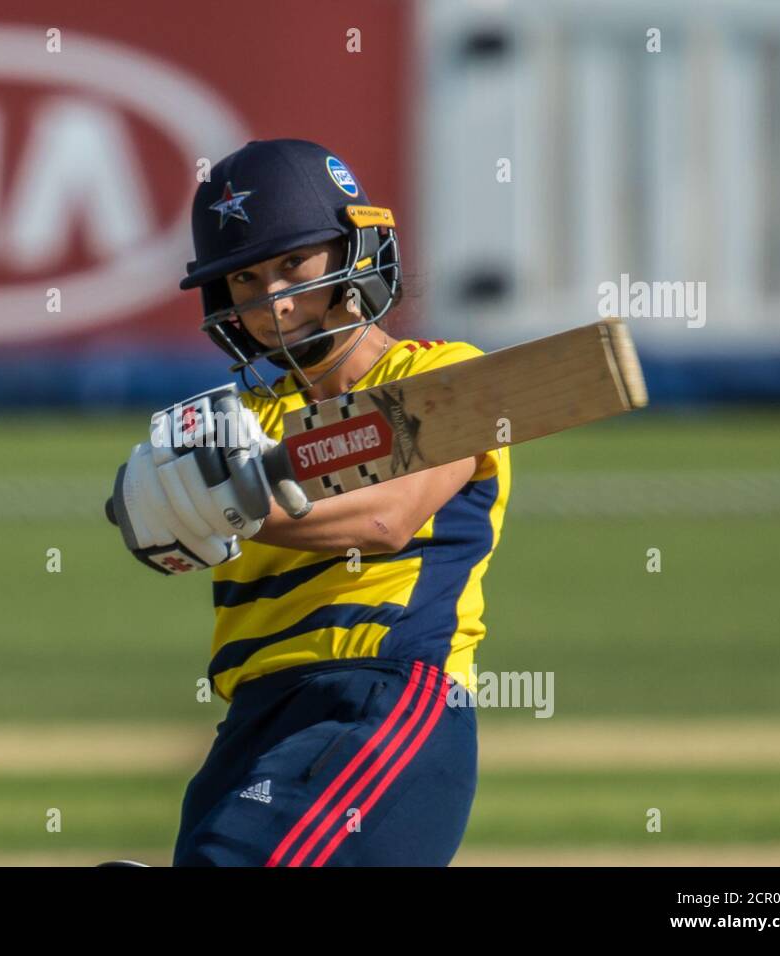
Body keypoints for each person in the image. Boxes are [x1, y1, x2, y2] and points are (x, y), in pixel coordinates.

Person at [109, 139, 512, 866]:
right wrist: (154, 511)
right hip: (253, 721)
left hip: (384, 695)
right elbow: (171, 535)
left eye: (294, 264)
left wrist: (231, 504)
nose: (275, 301)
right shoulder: (237, 418)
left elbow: (387, 518)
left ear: (353, 249)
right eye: (246, 278)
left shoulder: (449, 375)